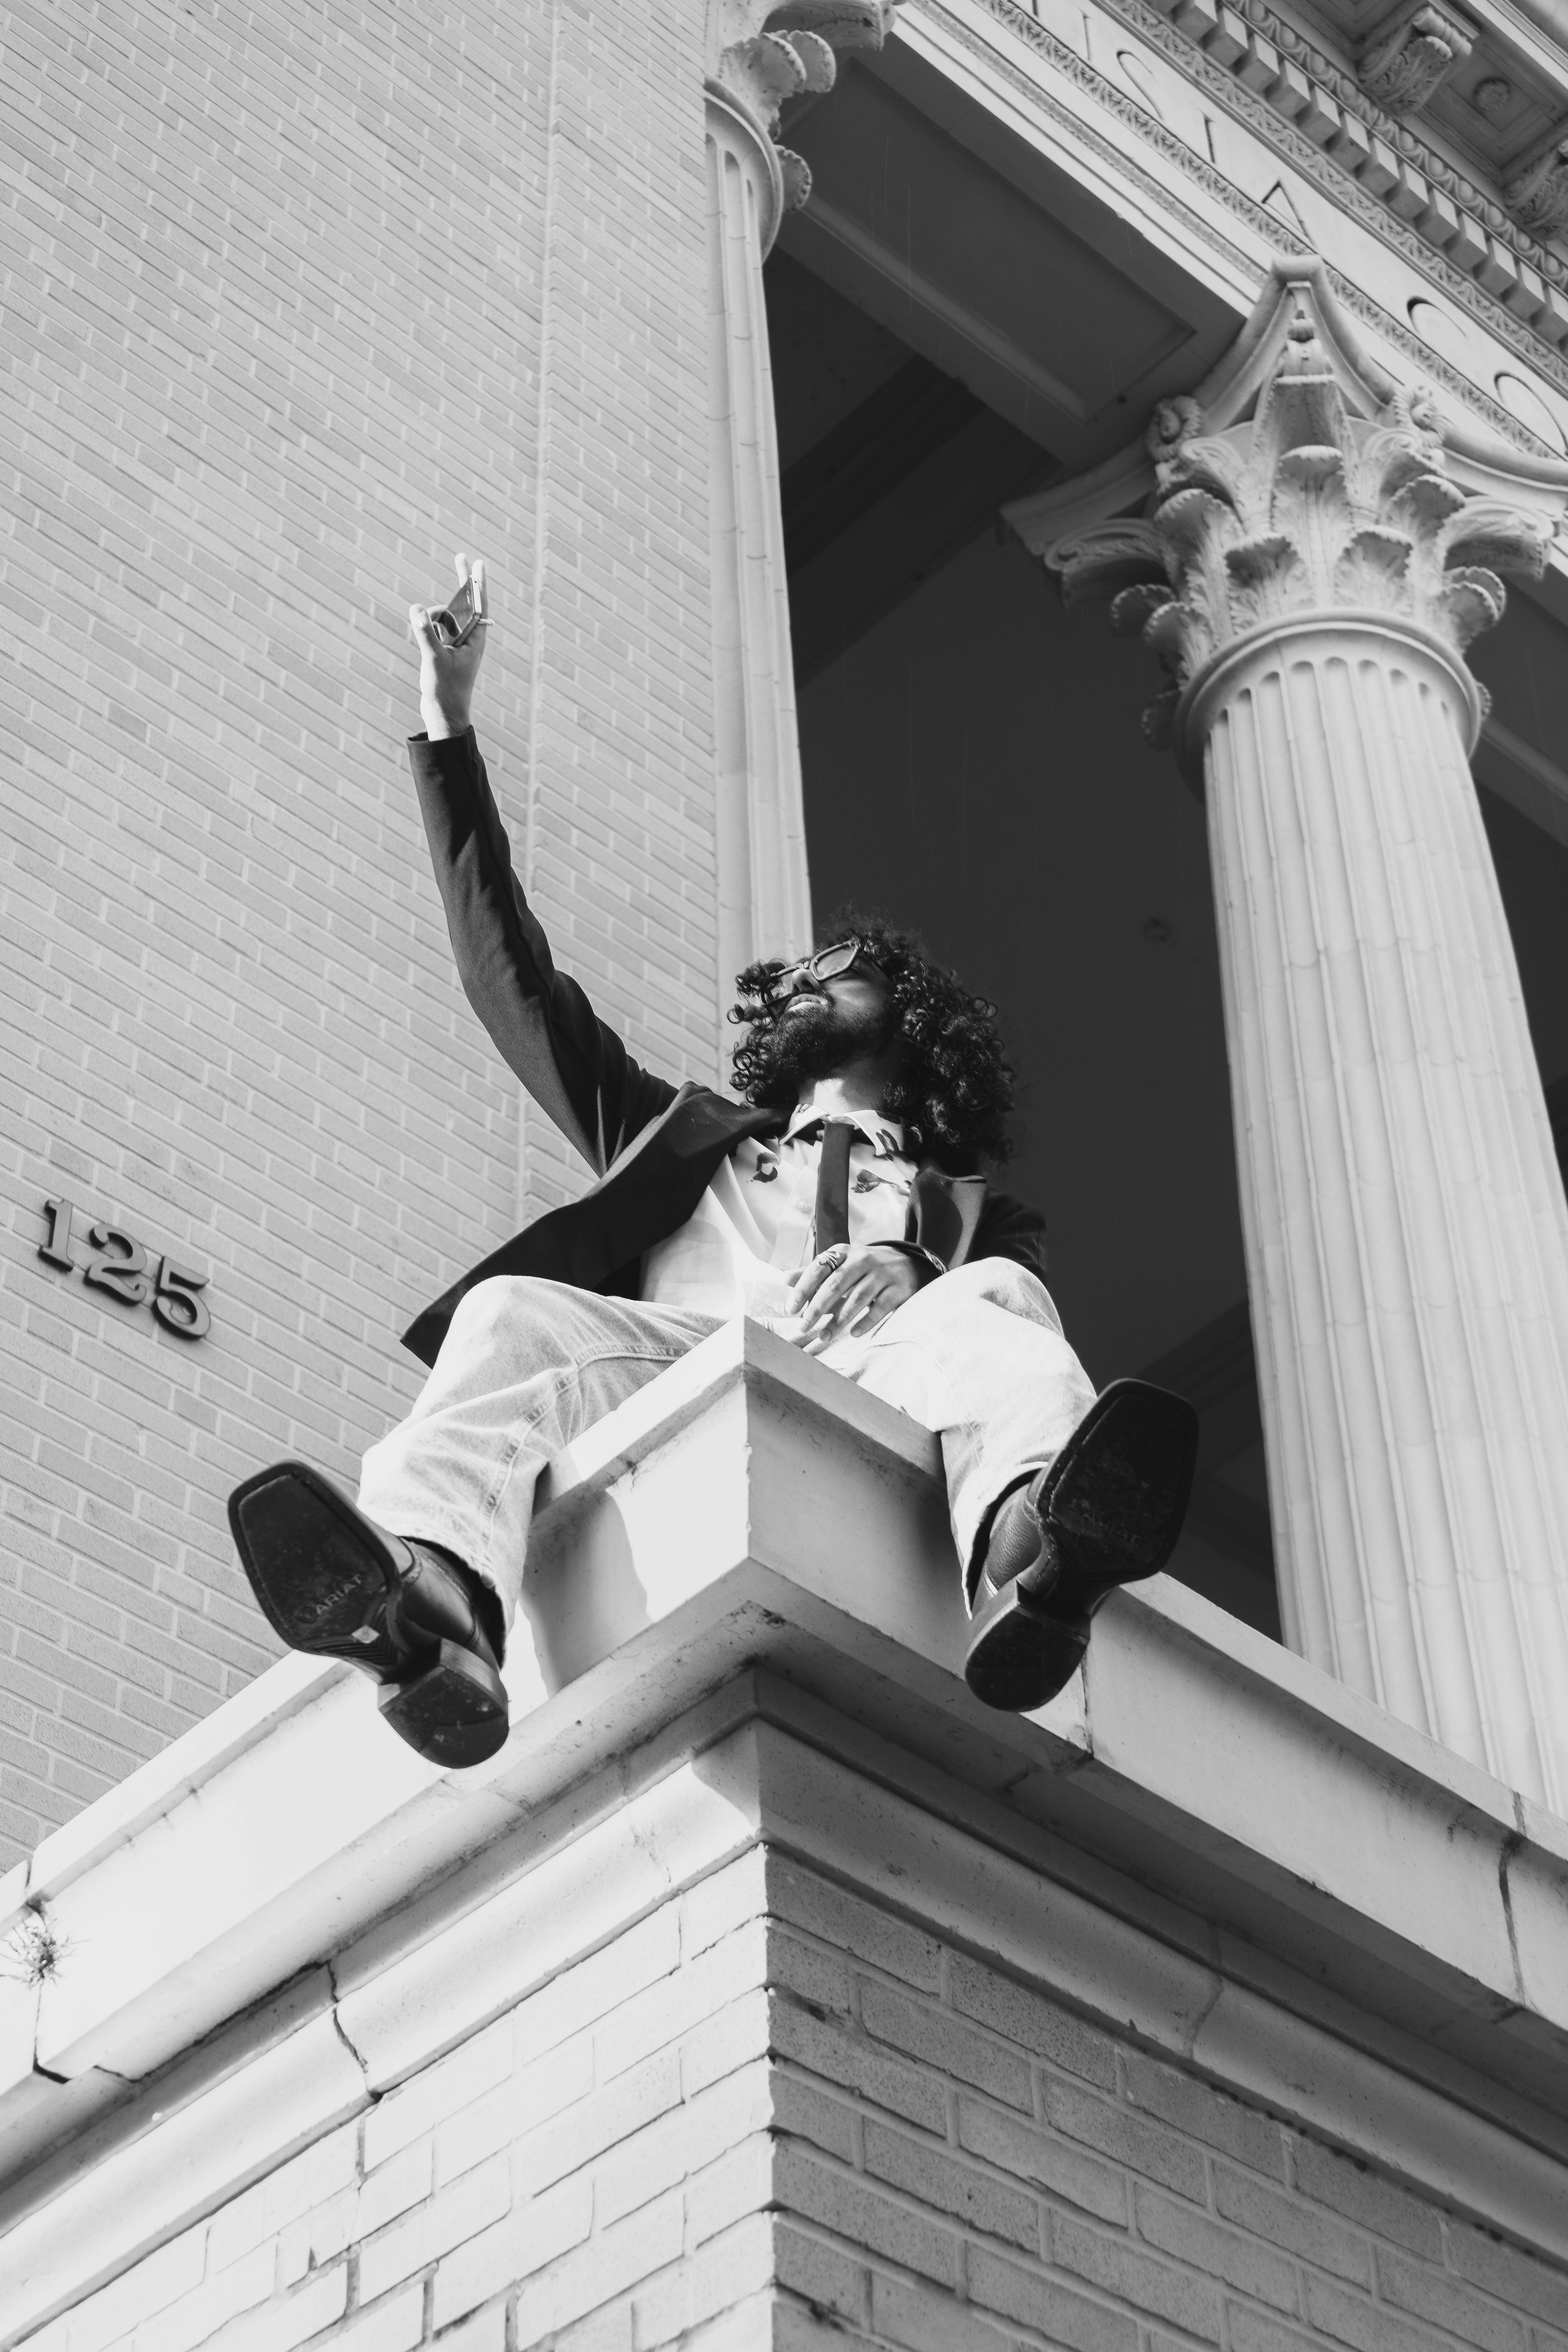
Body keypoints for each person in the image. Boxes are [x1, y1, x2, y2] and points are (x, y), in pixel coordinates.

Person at [227, 556, 1198, 1767]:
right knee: (512, 1315)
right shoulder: (673, 1133)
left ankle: (1031, 1558)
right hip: (679, 1366)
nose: (798, 978)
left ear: (906, 1010)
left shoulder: (970, 1218)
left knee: (1006, 1300)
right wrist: (448, 725)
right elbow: (508, 981)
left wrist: (915, 1270)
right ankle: (429, 1606)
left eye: (829, 964)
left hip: (886, 1371)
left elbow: (997, 1330)